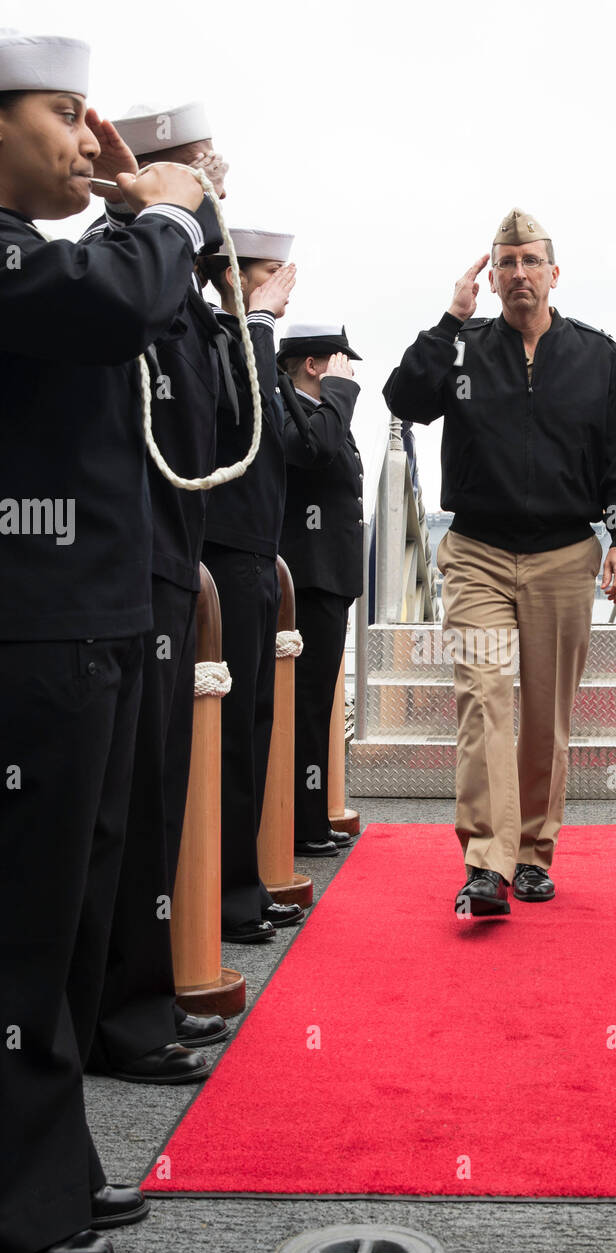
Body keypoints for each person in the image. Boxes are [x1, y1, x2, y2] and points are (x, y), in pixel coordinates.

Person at [0, 30, 207, 1253]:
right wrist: (169, 212)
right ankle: (20, 1204)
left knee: (73, 916)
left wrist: (150, 217)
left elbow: (144, 310)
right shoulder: (24, 266)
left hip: (90, 619)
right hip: (29, 630)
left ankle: (51, 1164)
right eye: (65, 114)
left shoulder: (46, 253)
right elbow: (112, 299)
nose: (88, 140)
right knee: (23, 924)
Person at [384, 208, 616, 915]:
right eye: (506, 262)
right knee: (482, 698)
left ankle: (533, 851)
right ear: (492, 275)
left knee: (545, 715)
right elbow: (403, 399)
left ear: (553, 273)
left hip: (564, 555)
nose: (519, 273)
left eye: (531, 261)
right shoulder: (462, 348)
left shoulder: (599, 357)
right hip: (474, 553)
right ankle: (485, 862)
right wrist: (447, 320)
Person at [81, 99, 234, 1085]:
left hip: (167, 557)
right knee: (125, 802)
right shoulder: (120, 269)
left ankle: (138, 996)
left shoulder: (172, 276)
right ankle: (120, 1015)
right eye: (206, 168)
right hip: (123, 565)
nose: (216, 187)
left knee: (154, 792)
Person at [200, 228, 305, 943]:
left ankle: (242, 884)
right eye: (269, 274)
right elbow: (245, 417)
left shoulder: (252, 345)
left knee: (256, 728)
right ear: (234, 277)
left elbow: (293, 439)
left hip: (259, 557)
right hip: (226, 550)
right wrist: (259, 323)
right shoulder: (219, 338)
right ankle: (224, 896)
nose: (284, 285)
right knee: (230, 735)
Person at [277, 324, 365, 856]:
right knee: (305, 705)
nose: (349, 370)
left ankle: (308, 816)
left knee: (313, 704)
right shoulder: (294, 409)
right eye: (340, 361)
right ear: (315, 364)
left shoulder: (319, 412)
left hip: (327, 579)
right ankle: (300, 824)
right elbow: (317, 451)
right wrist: (340, 391)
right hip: (307, 580)